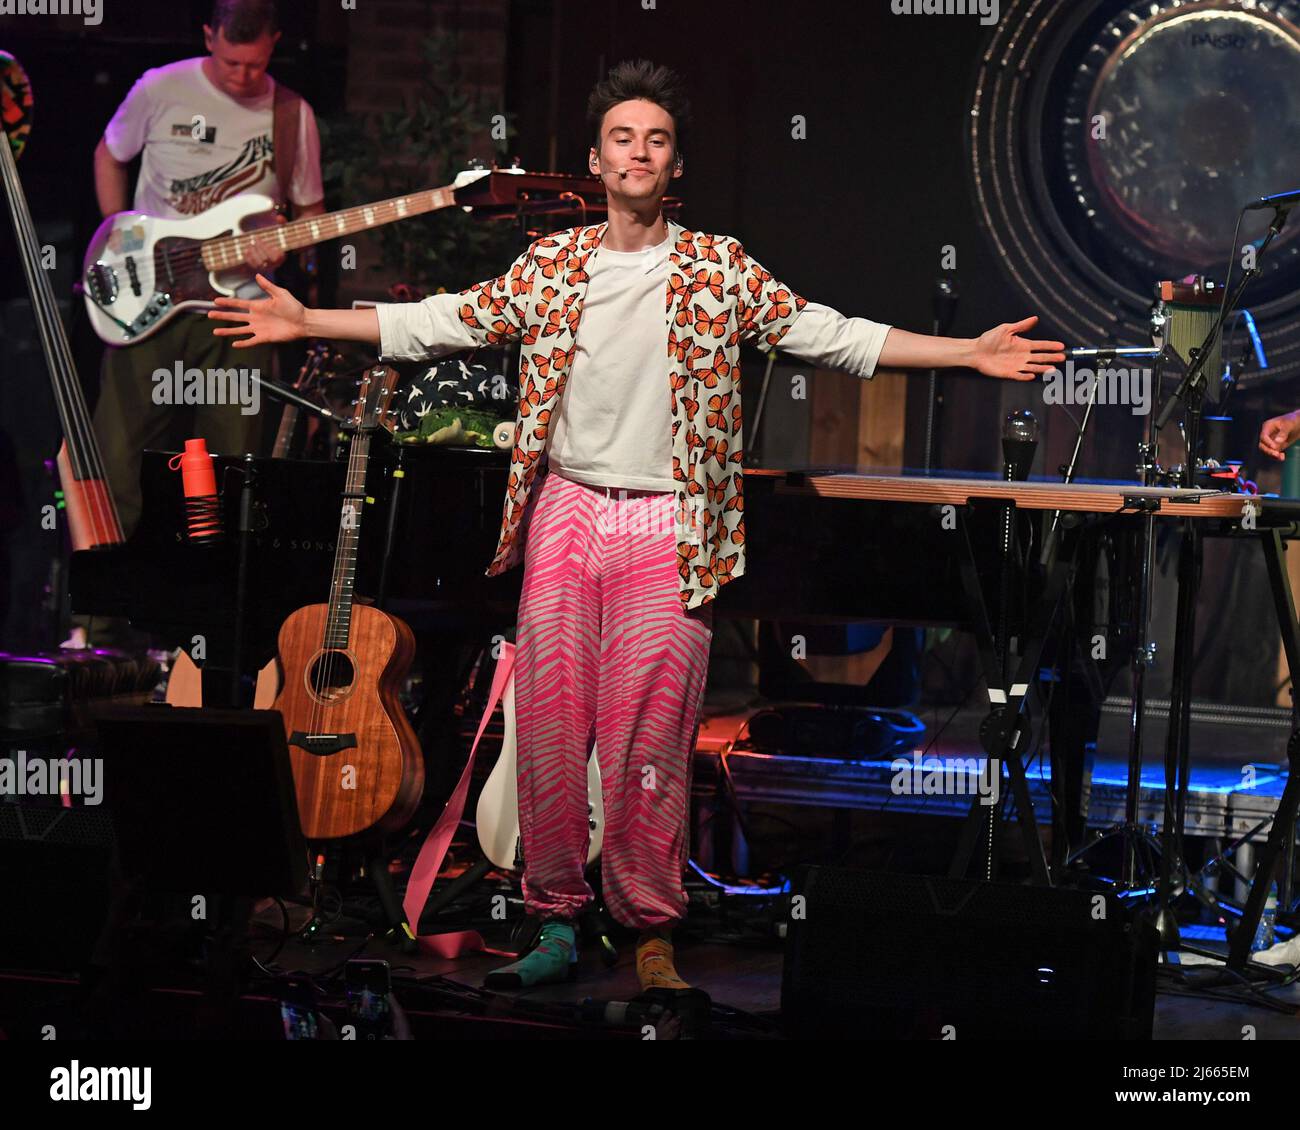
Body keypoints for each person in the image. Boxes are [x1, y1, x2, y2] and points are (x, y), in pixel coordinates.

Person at [206, 59, 1066, 993]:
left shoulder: (716, 268)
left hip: (668, 520)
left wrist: (966, 353)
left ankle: (649, 927)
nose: (639, 152)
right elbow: (442, 321)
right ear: (596, 160)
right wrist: (310, 322)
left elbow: (836, 334)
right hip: (569, 510)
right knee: (548, 725)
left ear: (675, 165)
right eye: (623, 137)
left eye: (656, 139)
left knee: (649, 736)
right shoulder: (553, 266)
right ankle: (553, 921)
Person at [90, 0, 325, 541]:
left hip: (239, 309)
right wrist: (116, 235)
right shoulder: (158, 88)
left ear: (273, 45)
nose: (243, 77)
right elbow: (109, 155)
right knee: (116, 459)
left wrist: (283, 248)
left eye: (256, 65)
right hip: (149, 299)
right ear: (209, 38)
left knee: (234, 466)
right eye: (231, 65)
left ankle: (215, 610)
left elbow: (310, 212)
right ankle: (99, 620)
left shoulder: (294, 114)